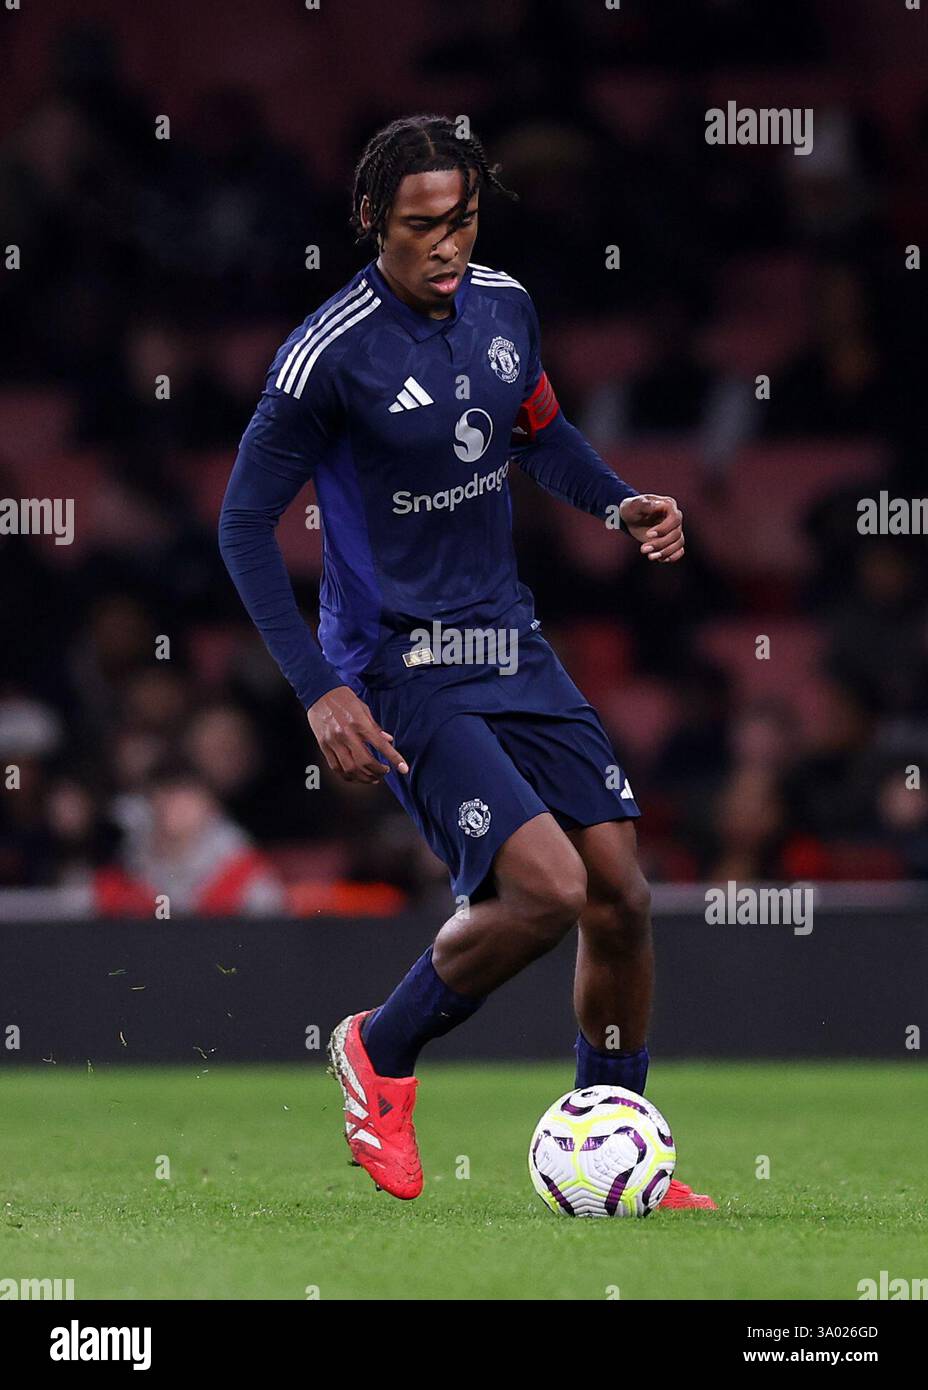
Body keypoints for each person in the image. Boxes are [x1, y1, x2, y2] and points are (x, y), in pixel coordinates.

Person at [219, 114, 713, 1209]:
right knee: (548, 890)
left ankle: (613, 1126)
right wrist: (320, 690)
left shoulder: (505, 306)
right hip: (398, 663)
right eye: (421, 225)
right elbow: (243, 527)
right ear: (371, 222)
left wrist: (616, 500)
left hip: (508, 641)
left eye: (463, 219)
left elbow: (535, 429)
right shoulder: (325, 355)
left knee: (622, 895)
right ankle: (378, 1049)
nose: (446, 244)